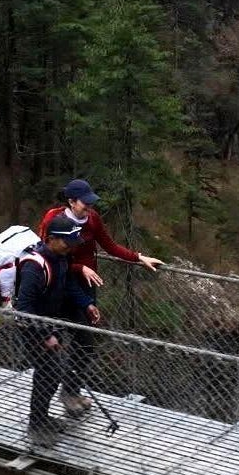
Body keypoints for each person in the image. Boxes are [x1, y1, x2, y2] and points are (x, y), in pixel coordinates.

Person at [37, 178, 163, 416]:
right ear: (71, 201)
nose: (89, 208)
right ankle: (55, 399)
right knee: (68, 338)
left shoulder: (92, 219)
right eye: (85, 204)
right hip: (62, 284)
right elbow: (47, 255)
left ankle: (70, 391)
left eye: (90, 203)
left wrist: (139, 257)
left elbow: (110, 246)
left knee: (86, 342)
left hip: (85, 287)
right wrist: (79, 268)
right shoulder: (54, 220)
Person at [13, 214, 100, 443]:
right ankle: (36, 425)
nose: (72, 245)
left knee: (52, 373)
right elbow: (24, 308)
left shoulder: (61, 257)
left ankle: (42, 418)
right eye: (67, 240)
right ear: (51, 239)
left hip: (50, 322)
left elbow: (68, 284)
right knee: (48, 374)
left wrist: (86, 303)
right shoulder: (34, 267)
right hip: (32, 328)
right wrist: (45, 335)